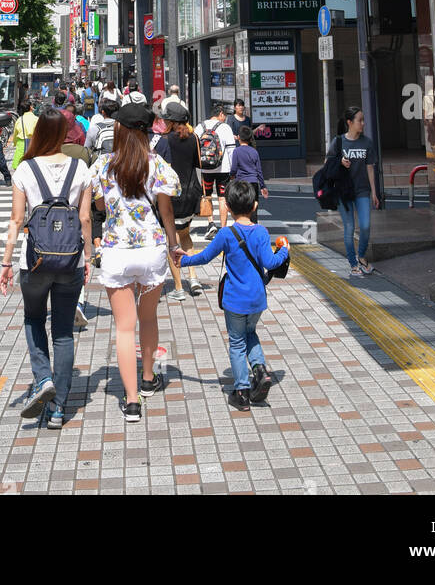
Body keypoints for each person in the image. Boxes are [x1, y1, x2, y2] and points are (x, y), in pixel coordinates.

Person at [0, 108, 93, 429]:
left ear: (39, 133)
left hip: (34, 261)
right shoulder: (80, 168)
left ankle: (42, 380)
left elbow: (15, 220)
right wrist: (89, 256)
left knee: (33, 318)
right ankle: (58, 409)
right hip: (71, 260)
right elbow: (85, 219)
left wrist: (6, 261)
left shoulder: (25, 170)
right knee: (64, 332)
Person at [88, 107, 181, 422]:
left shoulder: (104, 165)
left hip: (116, 250)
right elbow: (166, 212)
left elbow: (99, 205)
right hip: (151, 250)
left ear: (120, 130)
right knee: (149, 318)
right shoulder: (156, 164)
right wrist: (174, 244)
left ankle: (131, 401)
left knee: (124, 328)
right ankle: (147, 378)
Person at [176, 178, 289, 410]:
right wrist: (284, 251)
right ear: (255, 206)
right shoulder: (260, 231)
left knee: (237, 342)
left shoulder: (226, 234)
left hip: (234, 301)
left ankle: (241, 391)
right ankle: (259, 370)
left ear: (226, 206)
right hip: (257, 299)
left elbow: (205, 257)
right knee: (251, 333)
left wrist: (183, 260)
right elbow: (270, 261)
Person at [160, 103, 204, 301]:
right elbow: (198, 164)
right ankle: (193, 278)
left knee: (172, 241)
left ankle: (178, 287)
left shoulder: (164, 141)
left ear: (170, 121)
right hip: (190, 194)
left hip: (171, 196)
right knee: (185, 236)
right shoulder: (193, 138)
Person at [333, 105, 380, 279]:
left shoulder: (367, 142)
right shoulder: (338, 142)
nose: (363, 123)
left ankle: (361, 256)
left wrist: (374, 193)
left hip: (362, 191)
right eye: (360, 120)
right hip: (344, 192)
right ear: (349, 122)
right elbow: (327, 163)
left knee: (365, 226)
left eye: (363, 120)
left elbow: (370, 169)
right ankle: (353, 264)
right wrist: (339, 161)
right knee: (349, 228)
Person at [194, 102, 237, 237]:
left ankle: (211, 223)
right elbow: (231, 151)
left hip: (205, 169)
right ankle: (223, 228)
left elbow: (194, 148)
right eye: (224, 115)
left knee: (207, 196)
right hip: (223, 169)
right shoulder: (225, 128)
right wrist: (233, 170)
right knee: (222, 198)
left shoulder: (200, 127)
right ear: (221, 114)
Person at [229, 125, 268, 210]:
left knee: (242, 207)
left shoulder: (236, 151)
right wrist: (262, 186)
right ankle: (253, 222)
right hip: (253, 183)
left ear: (238, 137)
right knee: (253, 208)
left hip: (241, 183)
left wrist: (231, 176)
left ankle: (242, 223)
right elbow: (259, 171)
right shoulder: (254, 152)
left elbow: (234, 169)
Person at [10, 98, 39, 169]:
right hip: (33, 143)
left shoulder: (20, 119)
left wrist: (15, 142)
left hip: (21, 143)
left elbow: (15, 133)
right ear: (31, 107)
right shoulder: (36, 119)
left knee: (17, 164)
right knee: (34, 165)